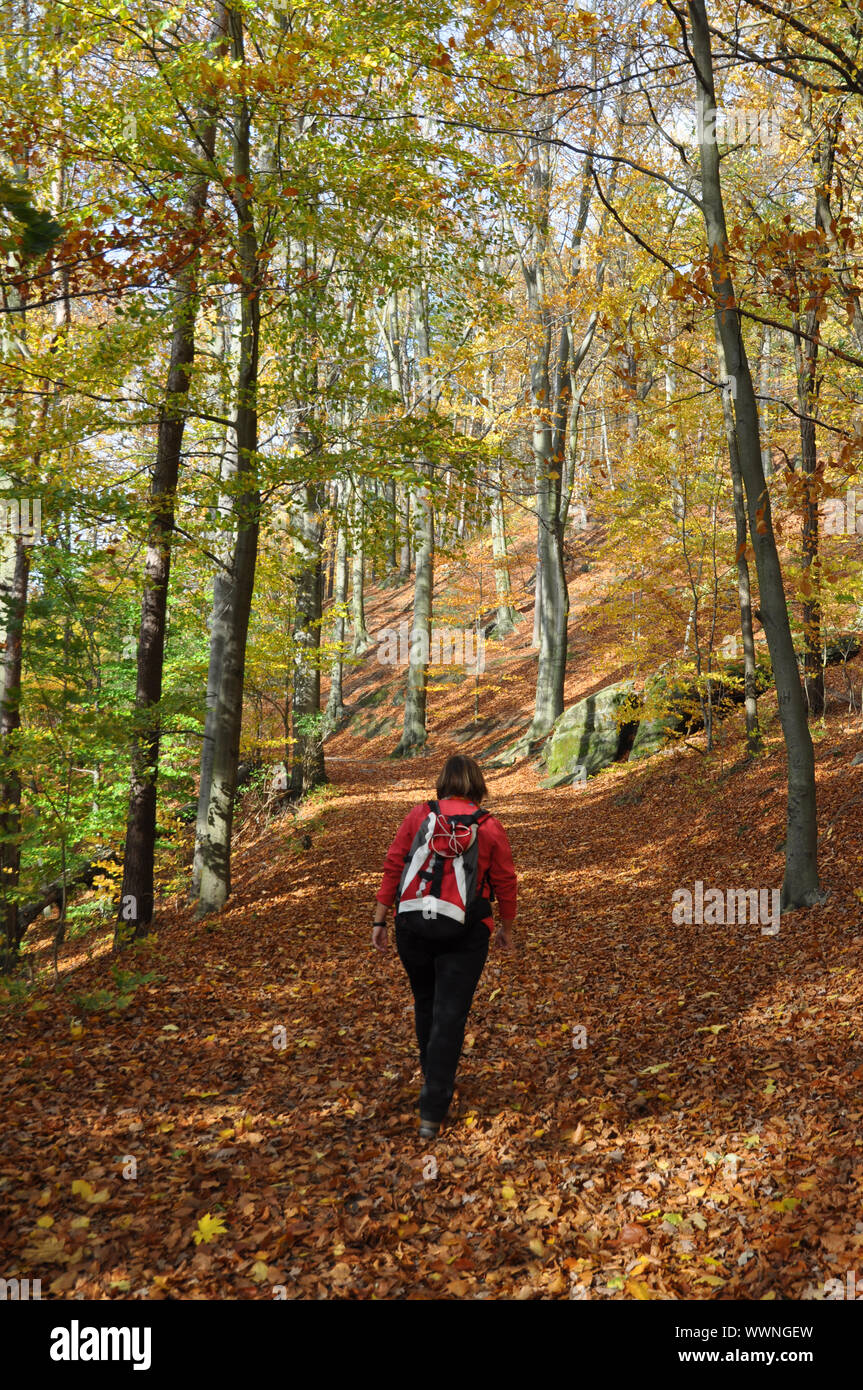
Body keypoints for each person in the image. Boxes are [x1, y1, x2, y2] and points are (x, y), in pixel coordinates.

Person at [372, 754, 518, 1139]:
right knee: (450, 1015)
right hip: (466, 931)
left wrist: (379, 918)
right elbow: (505, 881)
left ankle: (431, 1085)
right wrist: (507, 928)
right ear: (477, 784)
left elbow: (393, 865)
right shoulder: (488, 826)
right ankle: (432, 1108)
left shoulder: (420, 815)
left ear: (443, 782)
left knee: (426, 1003)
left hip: (413, 924)